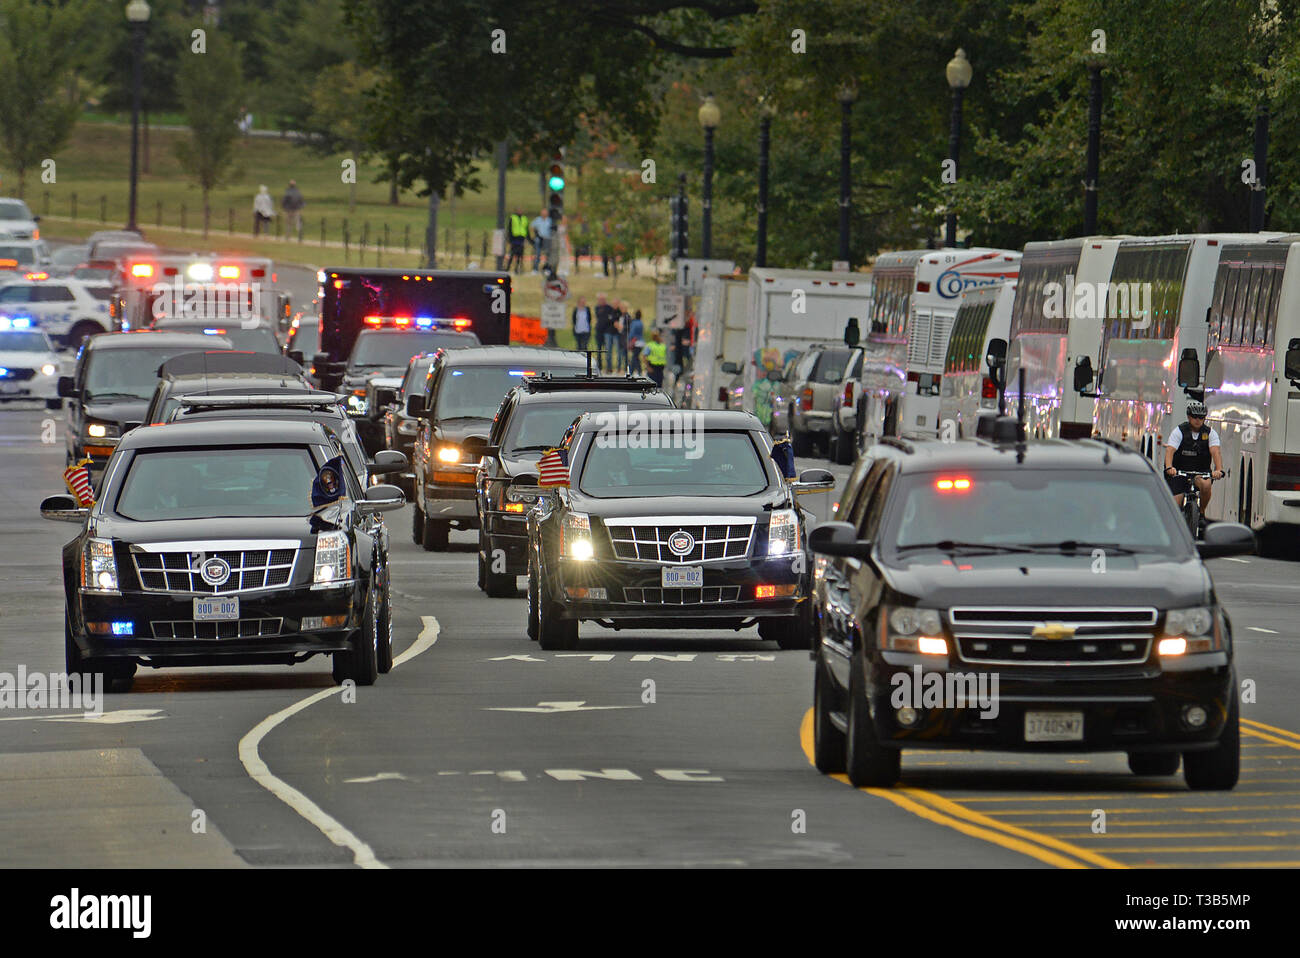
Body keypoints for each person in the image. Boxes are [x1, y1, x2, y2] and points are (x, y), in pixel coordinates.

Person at [1163, 399, 1224, 520]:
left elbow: (1215, 451)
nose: (1197, 420)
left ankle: (1201, 513)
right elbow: (1170, 450)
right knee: (1176, 503)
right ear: (1189, 417)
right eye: (1194, 417)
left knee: (1206, 485)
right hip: (1179, 471)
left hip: (1199, 472)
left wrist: (1219, 469)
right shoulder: (1179, 431)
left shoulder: (1210, 433)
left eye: (1201, 417)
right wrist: (1169, 467)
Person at [594, 293, 617, 372]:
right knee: (598, 350)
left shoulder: (609, 308)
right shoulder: (597, 308)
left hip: (607, 332)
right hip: (599, 332)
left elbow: (610, 319)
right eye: (600, 299)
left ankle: (609, 367)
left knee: (608, 350)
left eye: (603, 299)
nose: (601, 301)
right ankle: (599, 367)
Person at [506, 207, 529, 274]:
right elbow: (509, 228)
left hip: (521, 238)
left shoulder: (525, 218)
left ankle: (518, 268)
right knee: (512, 254)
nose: (520, 211)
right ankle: (508, 267)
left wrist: (528, 239)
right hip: (514, 238)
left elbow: (526, 229)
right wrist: (510, 239)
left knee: (520, 255)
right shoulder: (513, 218)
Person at [530, 208, 552, 274]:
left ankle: (547, 268)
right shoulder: (537, 220)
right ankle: (535, 269)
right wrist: (534, 235)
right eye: (543, 212)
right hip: (539, 239)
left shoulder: (550, 220)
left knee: (548, 254)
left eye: (545, 213)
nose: (544, 214)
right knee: (537, 254)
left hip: (547, 239)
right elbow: (531, 227)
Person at [626, 309, 645, 374]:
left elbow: (632, 333)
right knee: (636, 357)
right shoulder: (641, 322)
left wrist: (628, 340)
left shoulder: (634, 323)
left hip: (636, 342)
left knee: (634, 357)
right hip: (641, 342)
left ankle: (633, 371)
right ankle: (638, 371)